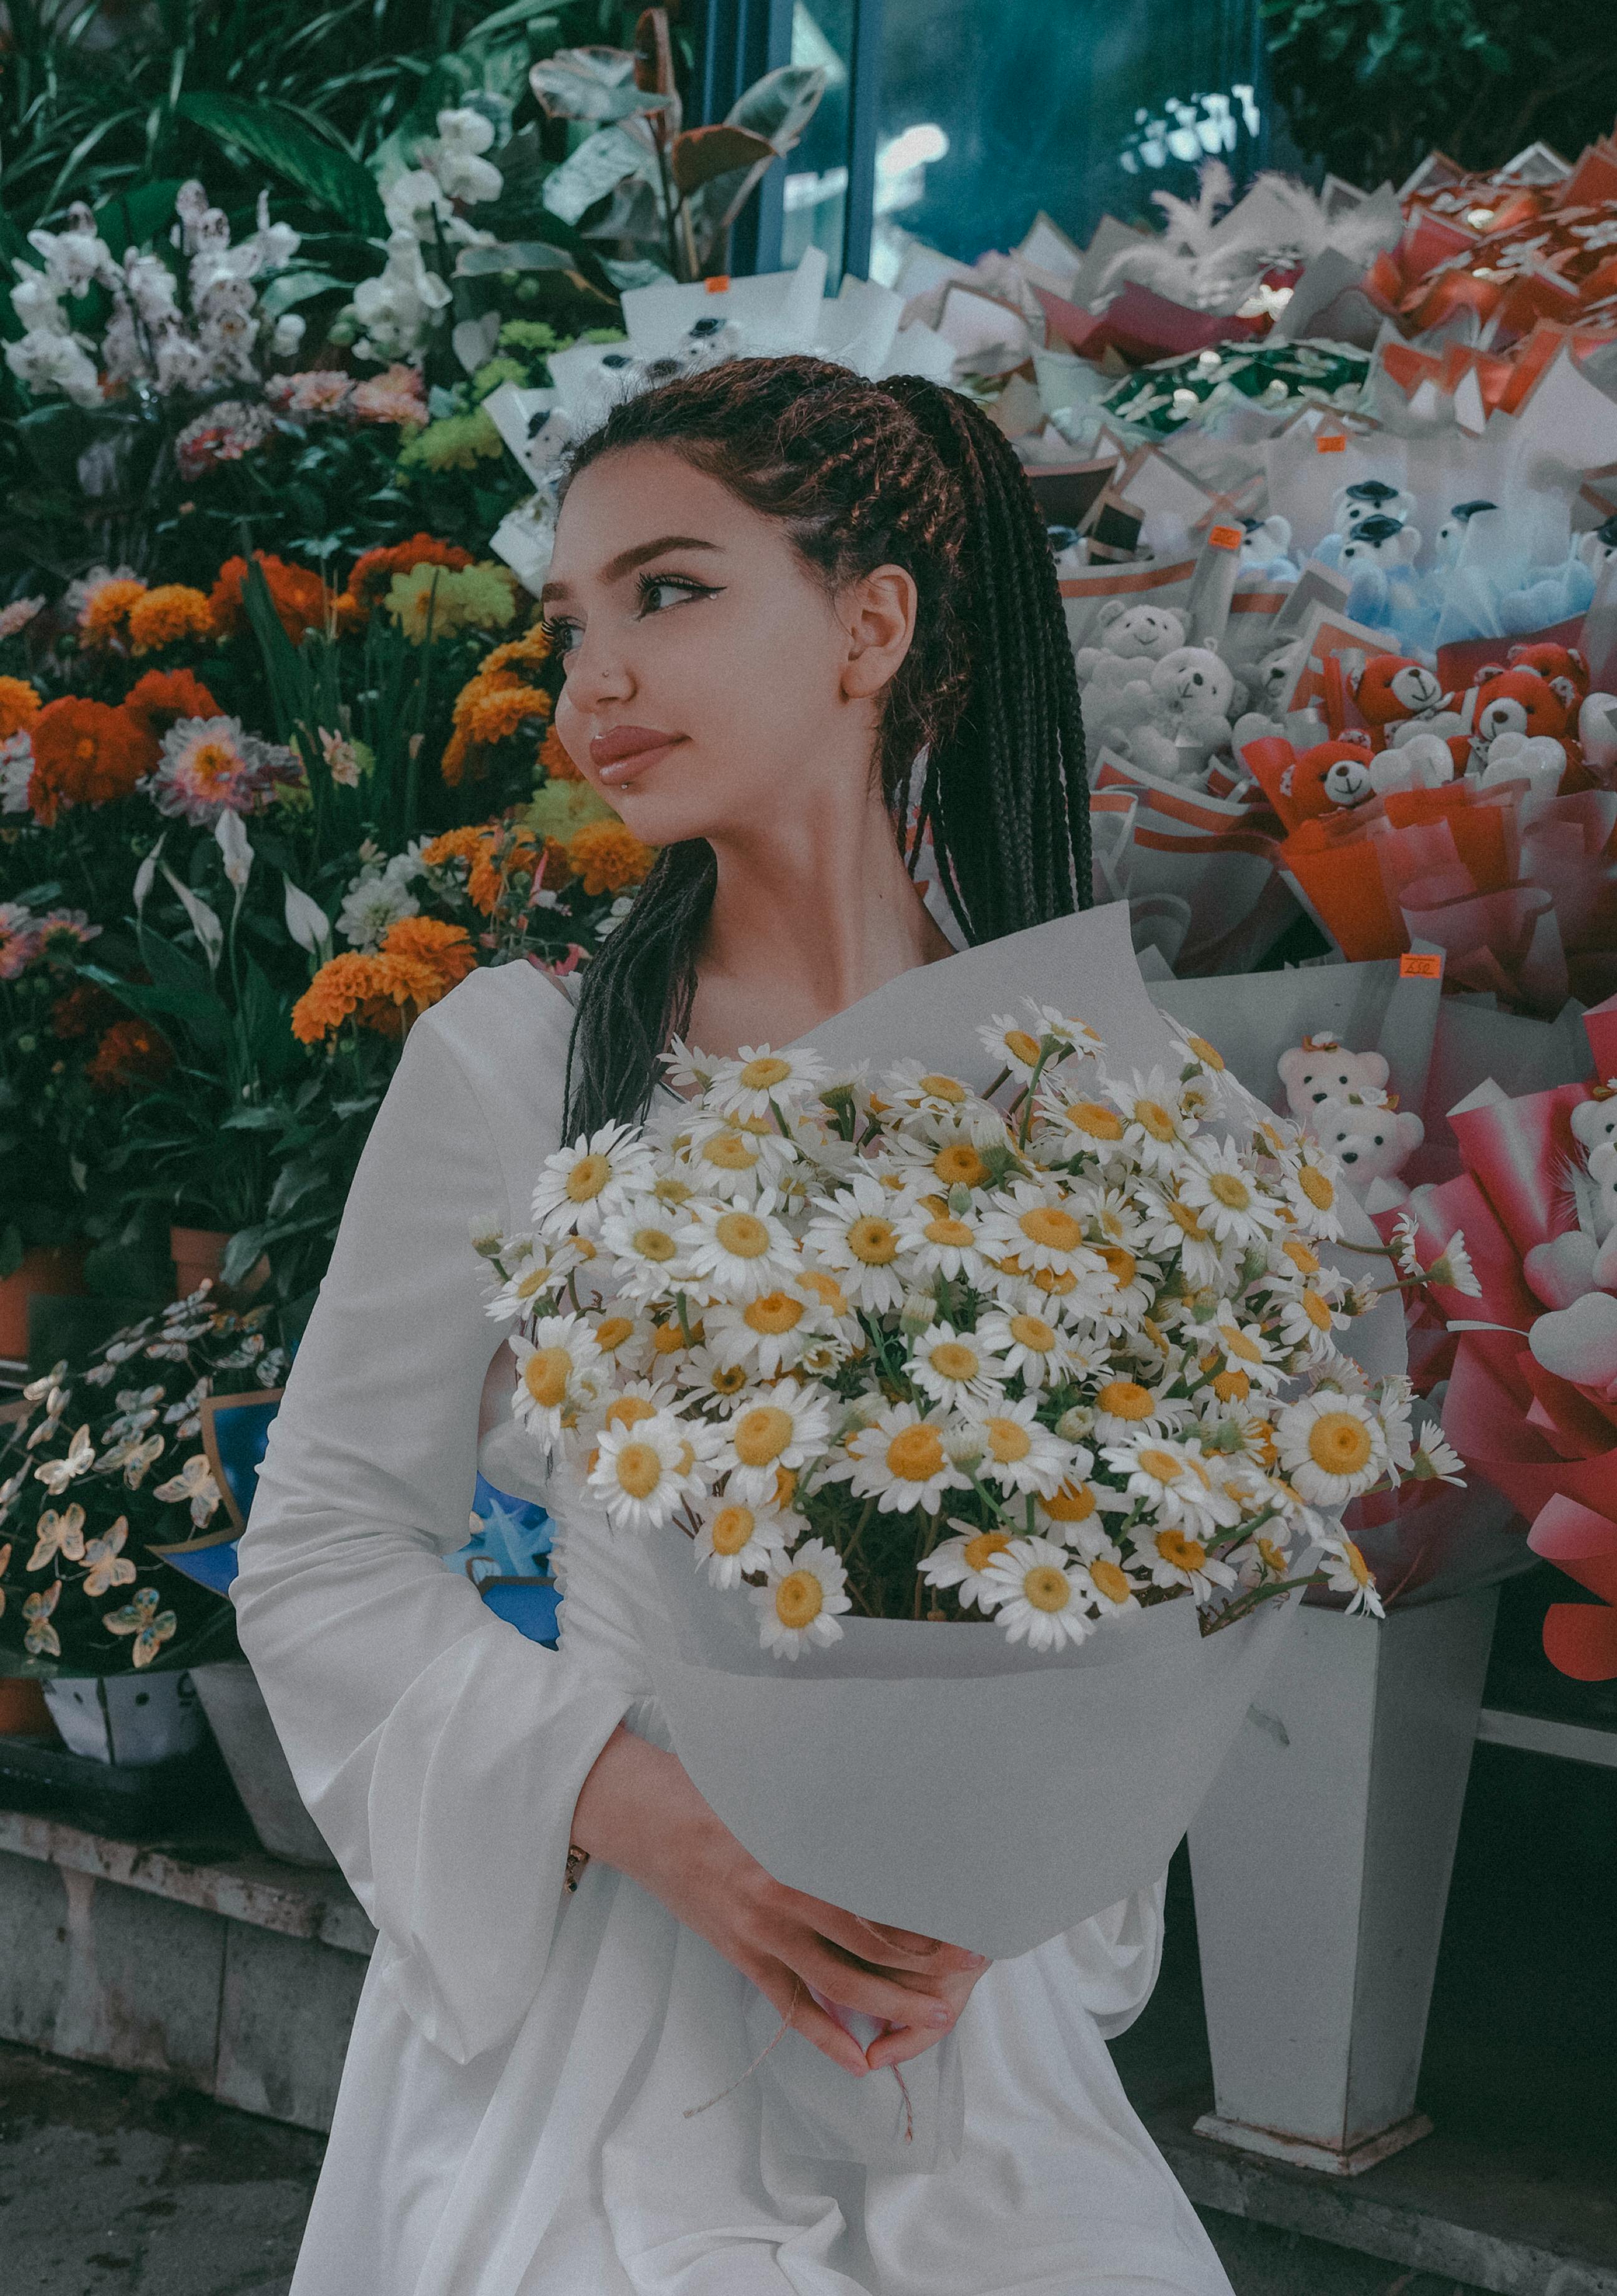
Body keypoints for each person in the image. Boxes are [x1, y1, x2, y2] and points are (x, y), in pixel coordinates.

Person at [235, 355, 1235, 2295]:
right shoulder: (518, 1057)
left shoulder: (1097, 1092)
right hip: (602, 2026)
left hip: (961, 2020)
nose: (589, 679)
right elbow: (327, 1547)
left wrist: (1011, 1871)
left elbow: (1172, 1590)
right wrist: (643, 1809)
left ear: (874, 624)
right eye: (571, 619)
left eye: (668, 590)